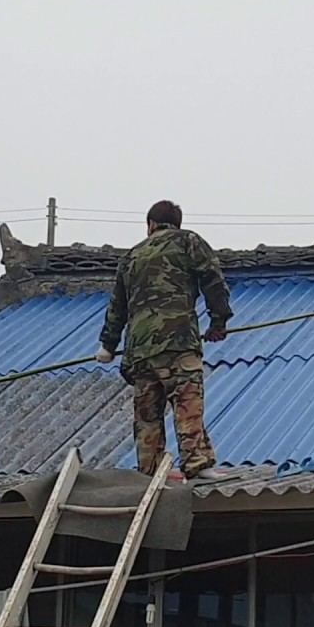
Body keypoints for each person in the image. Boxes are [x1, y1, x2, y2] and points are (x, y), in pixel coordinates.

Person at [97, 200, 234, 483]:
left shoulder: (132, 256)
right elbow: (212, 280)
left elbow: (117, 306)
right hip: (177, 342)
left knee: (147, 415)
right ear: (176, 223)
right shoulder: (188, 242)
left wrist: (108, 346)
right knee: (186, 404)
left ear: (150, 224)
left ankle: (150, 471)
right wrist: (218, 322)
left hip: (139, 352)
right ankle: (196, 465)